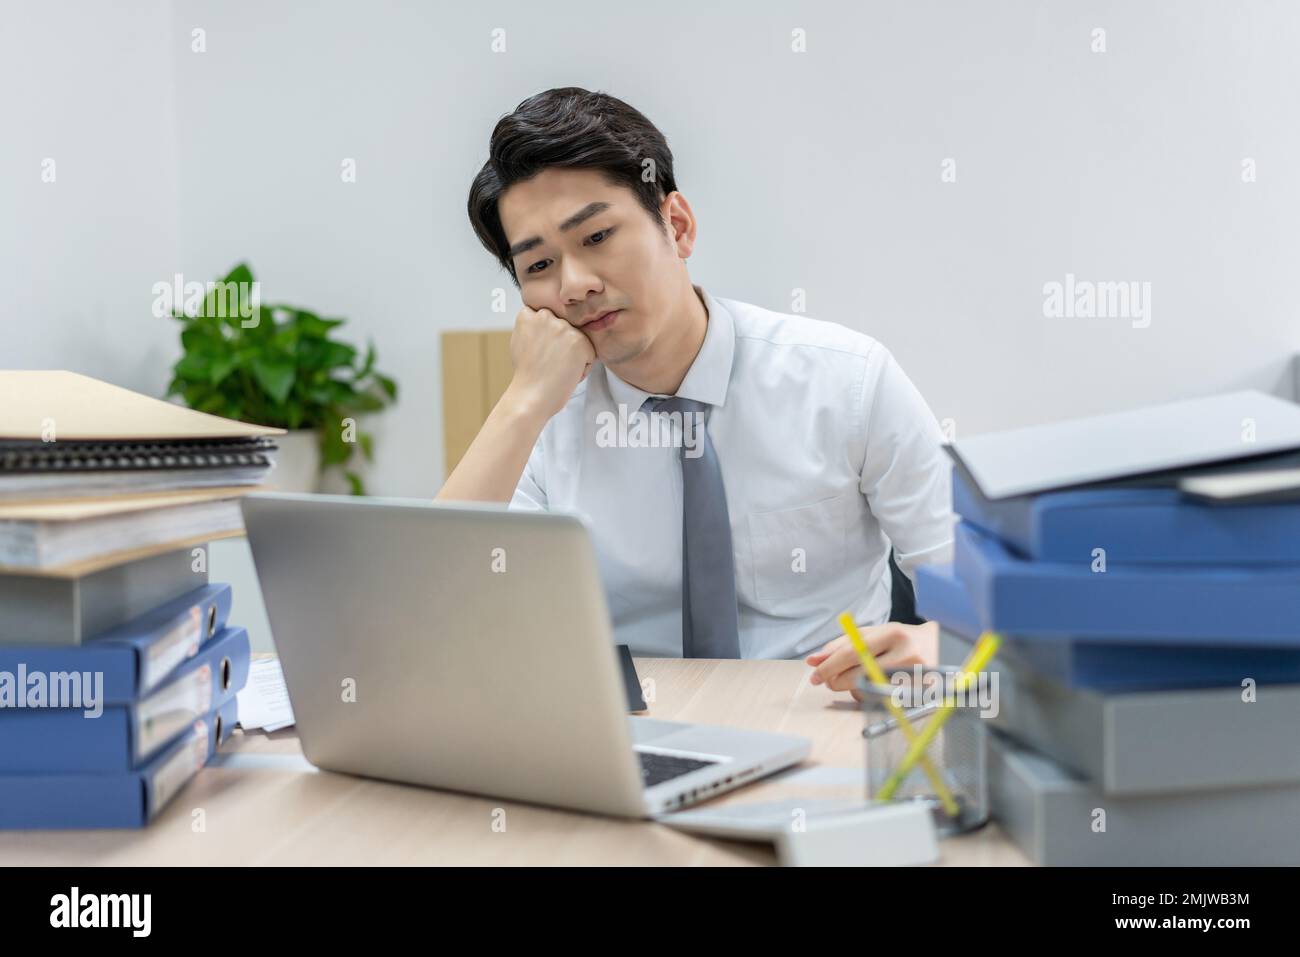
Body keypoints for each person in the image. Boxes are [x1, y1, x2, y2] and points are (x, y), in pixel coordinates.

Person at [439, 87, 955, 699]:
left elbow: (988, 603)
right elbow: (430, 619)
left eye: (597, 237)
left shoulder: (847, 380)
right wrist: (523, 403)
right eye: (539, 267)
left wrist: (938, 642)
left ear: (676, 226)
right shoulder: (546, 416)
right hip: (631, 739)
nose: (575, 285)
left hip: (822, 715)